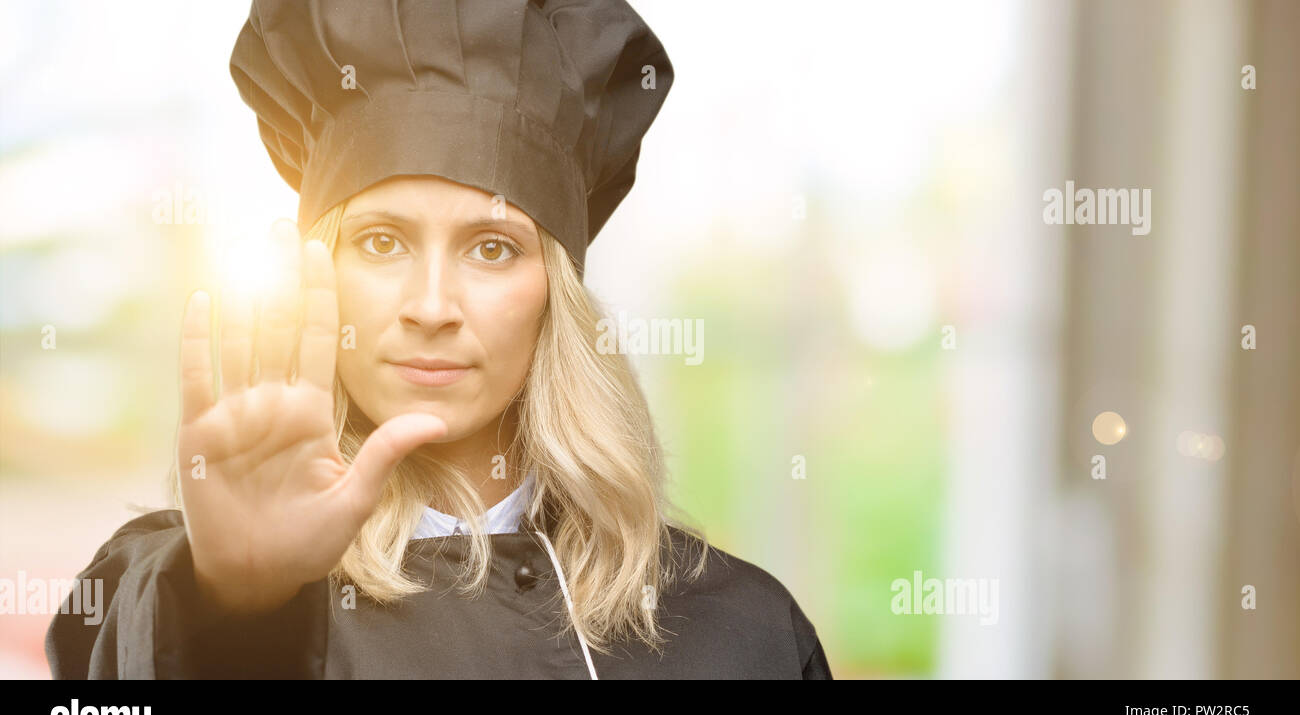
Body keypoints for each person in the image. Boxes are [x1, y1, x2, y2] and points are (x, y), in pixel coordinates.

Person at [45, 0, 832, 679]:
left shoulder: (743, 631)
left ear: (554, 298)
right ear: (320, 273)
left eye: (492, 247)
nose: (431, 304)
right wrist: (238, 610)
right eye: (382, 242)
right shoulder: (159, 594)